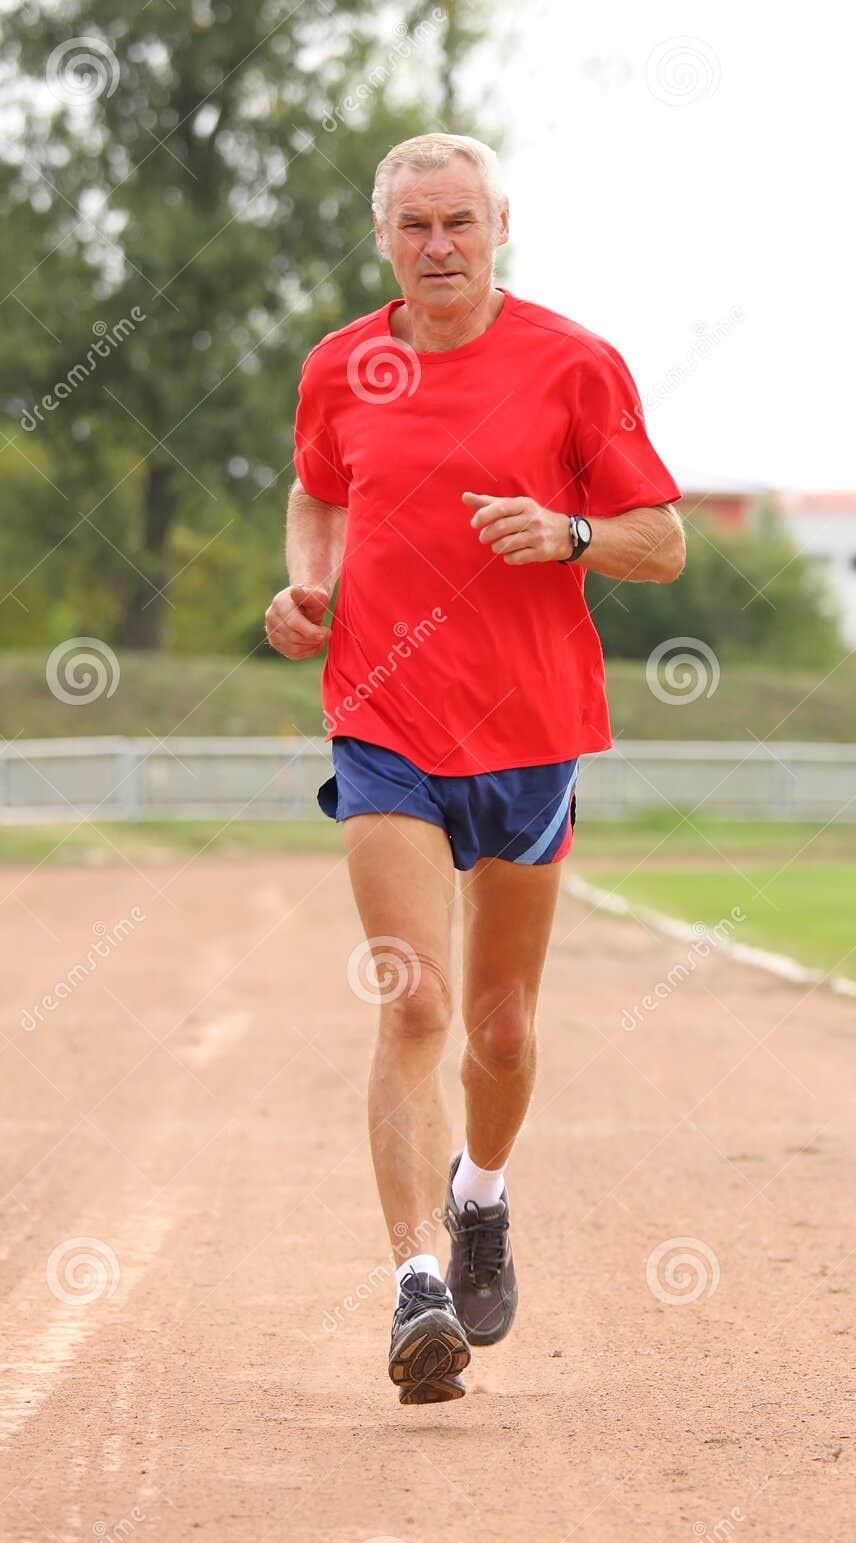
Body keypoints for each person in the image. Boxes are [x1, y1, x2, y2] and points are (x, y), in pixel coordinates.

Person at [265, 132, 684, 1404]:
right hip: (383, 717)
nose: (436, 246)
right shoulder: (344, 364)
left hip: (529, 732)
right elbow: (317, 491)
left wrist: (563, 532)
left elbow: (659, 543)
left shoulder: (572, 364)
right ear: (382, 234)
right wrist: (309, 589)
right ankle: (412, 1287)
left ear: (501, 225)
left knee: (498, 1031)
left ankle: (480, 1198)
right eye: (413, 226)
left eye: (458, 222)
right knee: (414, 1003)